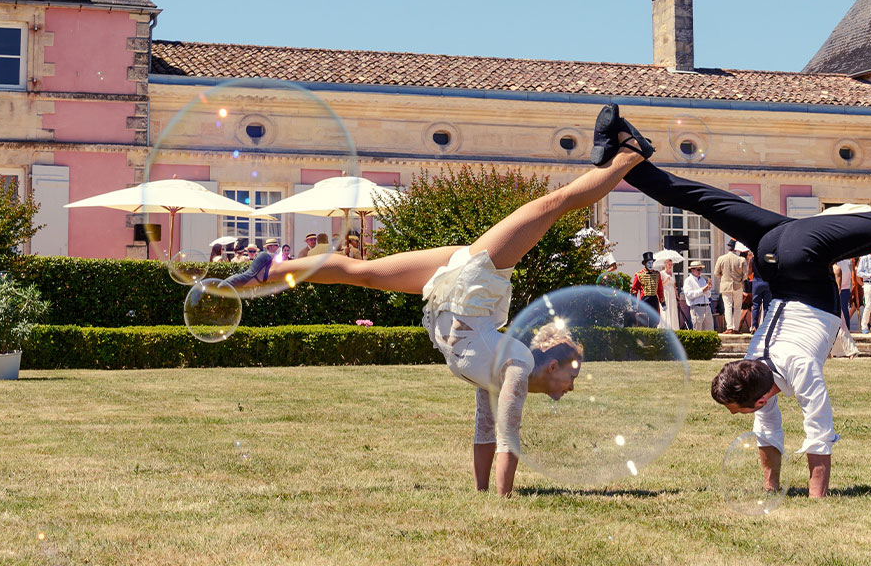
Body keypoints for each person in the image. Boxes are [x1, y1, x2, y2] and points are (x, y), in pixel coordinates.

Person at [224, 115, 650, 495]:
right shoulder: (514, 365)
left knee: (364, 273)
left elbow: (491, 431)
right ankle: (628, 153)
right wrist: (502, 500)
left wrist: (489, 498)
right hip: (476, 276)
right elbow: (508, 436)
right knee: (552, 204)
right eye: (572, 377)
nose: (571, 388)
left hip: (455, 285)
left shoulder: (504, 370)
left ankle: (266, 273)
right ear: (551, 365)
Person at [604, 103, 871, 498]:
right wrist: (771, 489)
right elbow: (780, 427)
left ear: (758, 398)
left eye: (740, 409)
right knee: (703, 201)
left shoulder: (793, 368)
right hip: (774, 248)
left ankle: (629, 153)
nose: (740, 415)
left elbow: (818, 430)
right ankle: (629, 154)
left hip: (803, 254)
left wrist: (816, 498)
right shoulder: (753, 365)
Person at [714, 240, 748, 332]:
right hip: (738, 285)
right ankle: (736, 328)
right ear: (735, 249)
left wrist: (724, 277)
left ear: (728, 248)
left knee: (728, 306)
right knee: (737, 307)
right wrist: (739, 279)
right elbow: (745, 275)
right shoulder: (741, 259)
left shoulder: (721, 258)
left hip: (726, 285)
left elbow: (716, 273)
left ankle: (729, 327)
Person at [630, 252, 663, 322]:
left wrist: (663, 302)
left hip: (654, 300)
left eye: (652, 263)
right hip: (644, 300)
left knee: (654, 321)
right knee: (643, 319)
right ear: (645, 264)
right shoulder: (639, 274)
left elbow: (660, 290)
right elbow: (634, 290)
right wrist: (634, 303)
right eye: (649, 263)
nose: (651, 265)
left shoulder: (657, 274)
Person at [683, 262, 714, 330]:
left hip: (707, 307)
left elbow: (708, 295)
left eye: (700, 269)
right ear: (692, 270)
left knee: (710, 330)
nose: (700, 271)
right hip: (697, 307)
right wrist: (703, 290)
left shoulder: (702, 280)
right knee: (697, 330)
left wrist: (708, 289)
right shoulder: (688, 281)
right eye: (698, 269)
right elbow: (689, 295)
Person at [657, 255, 681, 331]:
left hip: (672, 294)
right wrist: (665, 281)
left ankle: (673, 327)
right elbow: (659, 285)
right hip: (665, 293)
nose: (670, 266)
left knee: (672, 309)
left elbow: (674, 286)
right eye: (669, 264)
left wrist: (677, 296)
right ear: (665, 264)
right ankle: (665, 327)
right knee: (666, 310)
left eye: (671, 264)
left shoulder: (672, 274)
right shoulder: (662, 273)